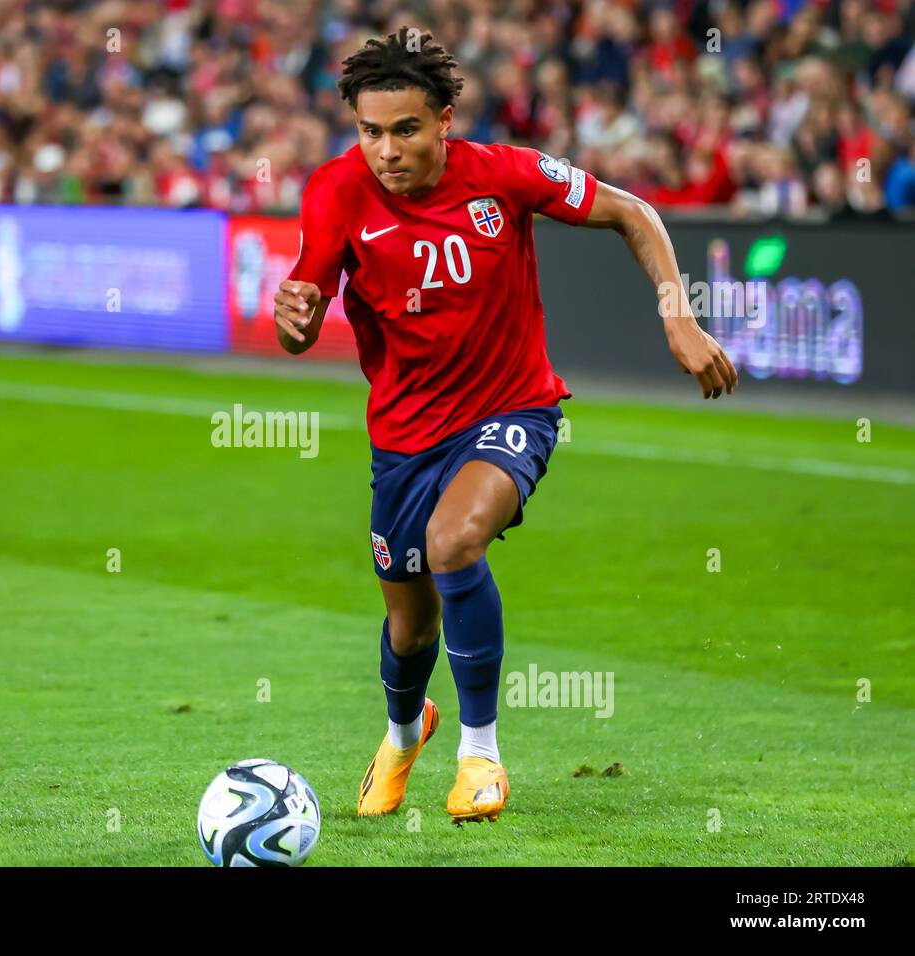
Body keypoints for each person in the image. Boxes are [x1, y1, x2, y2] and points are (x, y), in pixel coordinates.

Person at [274, 27, 737, 823]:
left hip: (510, 408)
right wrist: (292, 319)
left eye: (406, 130)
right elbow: (300, 325)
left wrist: (678, 316)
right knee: (408, 629)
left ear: (446, 120)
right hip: (402, 435)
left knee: (457, 541)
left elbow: (633, 212)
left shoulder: (506, 176)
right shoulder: (336, 192)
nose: (387, 150)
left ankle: (480, 754)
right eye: (371, 132)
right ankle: (403, 728)